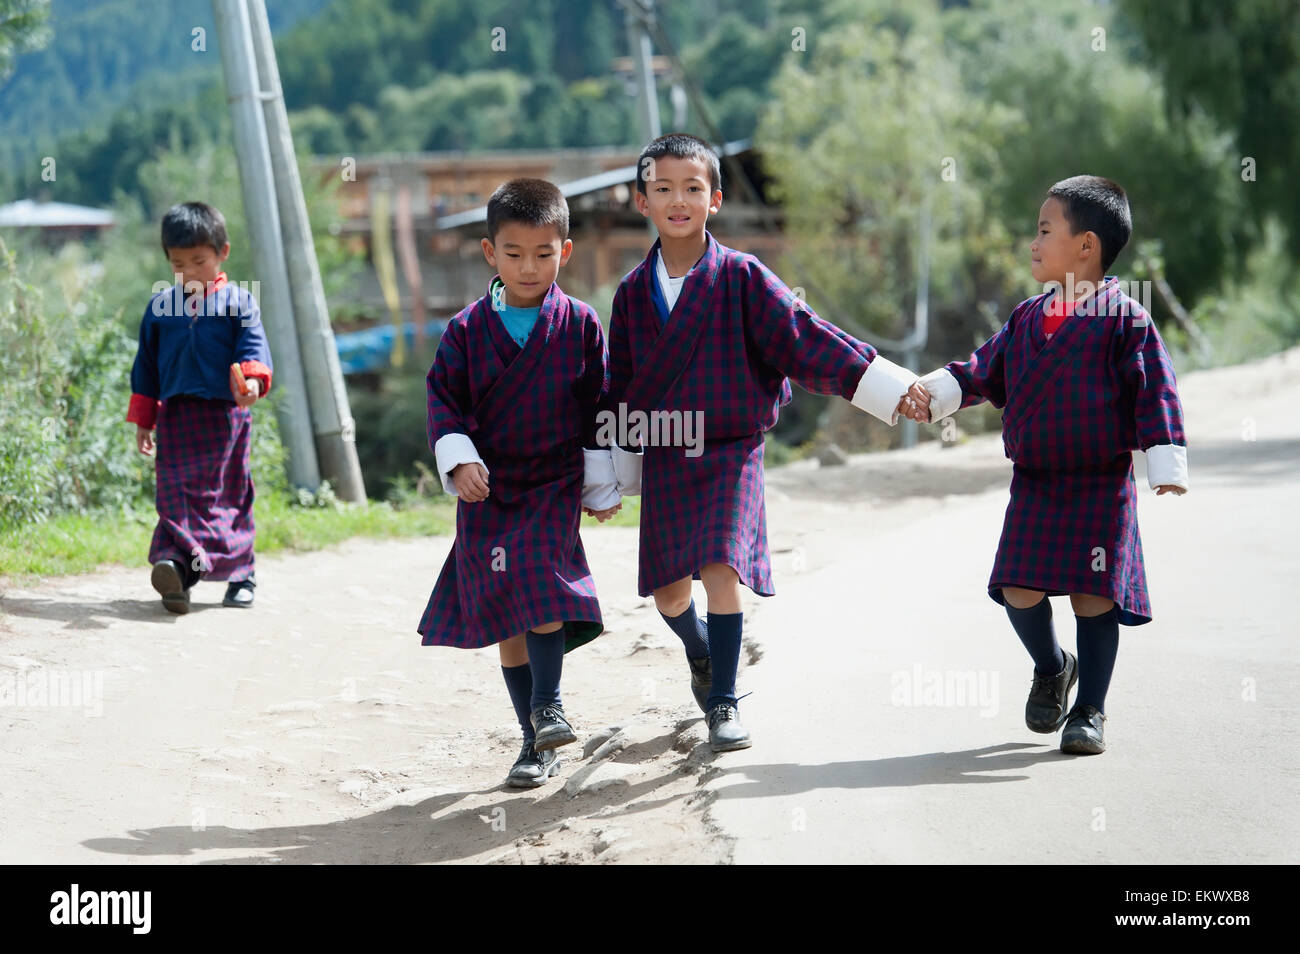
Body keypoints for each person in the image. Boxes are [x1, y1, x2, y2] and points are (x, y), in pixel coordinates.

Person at [603, 133, 919, 752]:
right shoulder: (630, 295)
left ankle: (724, 699)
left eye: (692, 188)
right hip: (667, 453)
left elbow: (806, 336)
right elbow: (618, 386)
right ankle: (701, 655)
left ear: (715, 199)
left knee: (721, 568)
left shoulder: (743, 276)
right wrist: (610, 470)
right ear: (642, 201)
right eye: (662, 188)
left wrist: (882, 383)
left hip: (729, 448)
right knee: (670, 593)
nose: (678, 200)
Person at [901, 175, 1188, 754]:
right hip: (1034, 483)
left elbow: (1156, 389)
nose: (1032, 243)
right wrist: (934, 392)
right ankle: (1054, 665)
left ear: (1086, 246)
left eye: (1044, 230)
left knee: (1094, 596)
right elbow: (981, 370)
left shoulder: (1125, 318)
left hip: (1099, 483)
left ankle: (1090, 712)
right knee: (1017, 588)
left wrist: (1165, 460)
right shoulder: (1026, 318)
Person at [420, 178, 621, 788]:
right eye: (514, 254)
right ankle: (535, 742)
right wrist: (458, 460)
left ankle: (549, 704)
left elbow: (598, 406)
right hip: (488, 488)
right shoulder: (464, 330)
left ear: (566, 251)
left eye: (543, 253)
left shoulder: (581, 324)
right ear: (490, 253)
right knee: (509, 614)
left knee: (539, 579)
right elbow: (443, 404)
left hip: (552, 483)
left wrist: (600, 480)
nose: (529, 267)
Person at [127, 201, 271, 614]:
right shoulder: (159, 309)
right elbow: (146, 369)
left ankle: (241, 574)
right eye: (178, 263)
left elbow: (253, 350)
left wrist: (254, 382)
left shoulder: (239, 303)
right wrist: (144, 421)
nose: (188, 272)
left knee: (226, 496)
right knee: (175, 497)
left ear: (222, 253)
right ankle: (176, 570)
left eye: (198, 261)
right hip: (175, 419)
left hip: (225, 419)